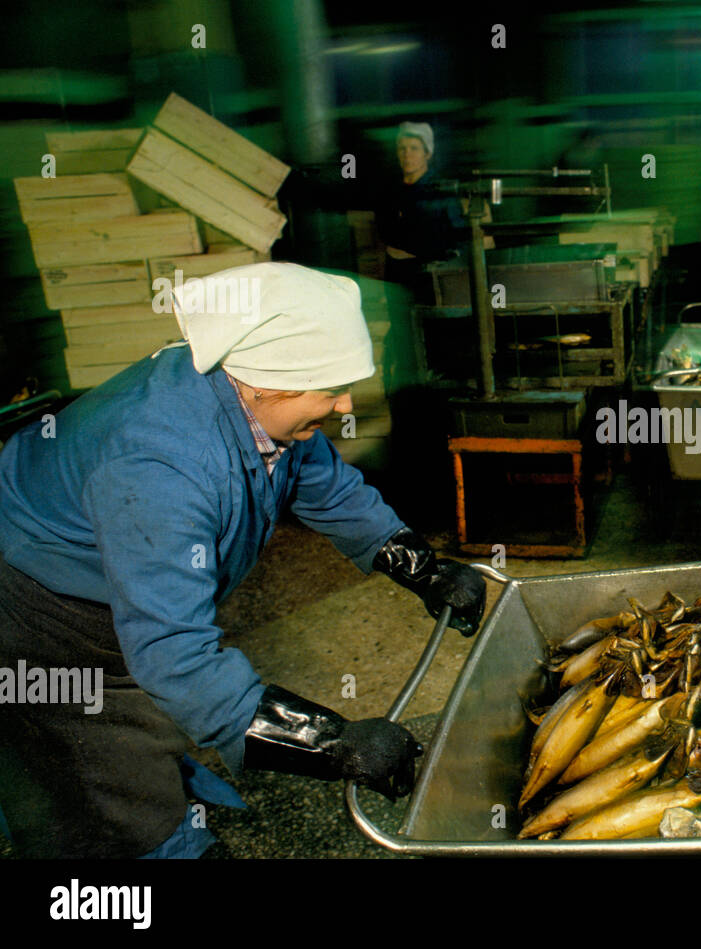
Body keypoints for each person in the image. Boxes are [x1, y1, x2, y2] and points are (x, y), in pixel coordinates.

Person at [0, 262, 486, 859]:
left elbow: (325, 486)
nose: (344, 403)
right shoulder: (160, 467)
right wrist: (330, 743)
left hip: (122, 583)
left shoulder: (262, 412)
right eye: (330, 388)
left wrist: (420, 566)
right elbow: (175, 655)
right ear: (266, 382)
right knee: (106, 781)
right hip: (44, 610)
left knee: (147, 724)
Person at [375, 121, 469, 393]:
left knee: (432, 337)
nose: (407, 154)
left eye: (414, 148)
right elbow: (387, 233)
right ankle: (403, 392)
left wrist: (420, 247)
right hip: (398, 275)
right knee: (402, 335)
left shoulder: (439, 191)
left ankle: (433, 391)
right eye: (402, 148)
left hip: (430, 276)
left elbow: (454, 238)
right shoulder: (391, 193)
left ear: (427, 154)